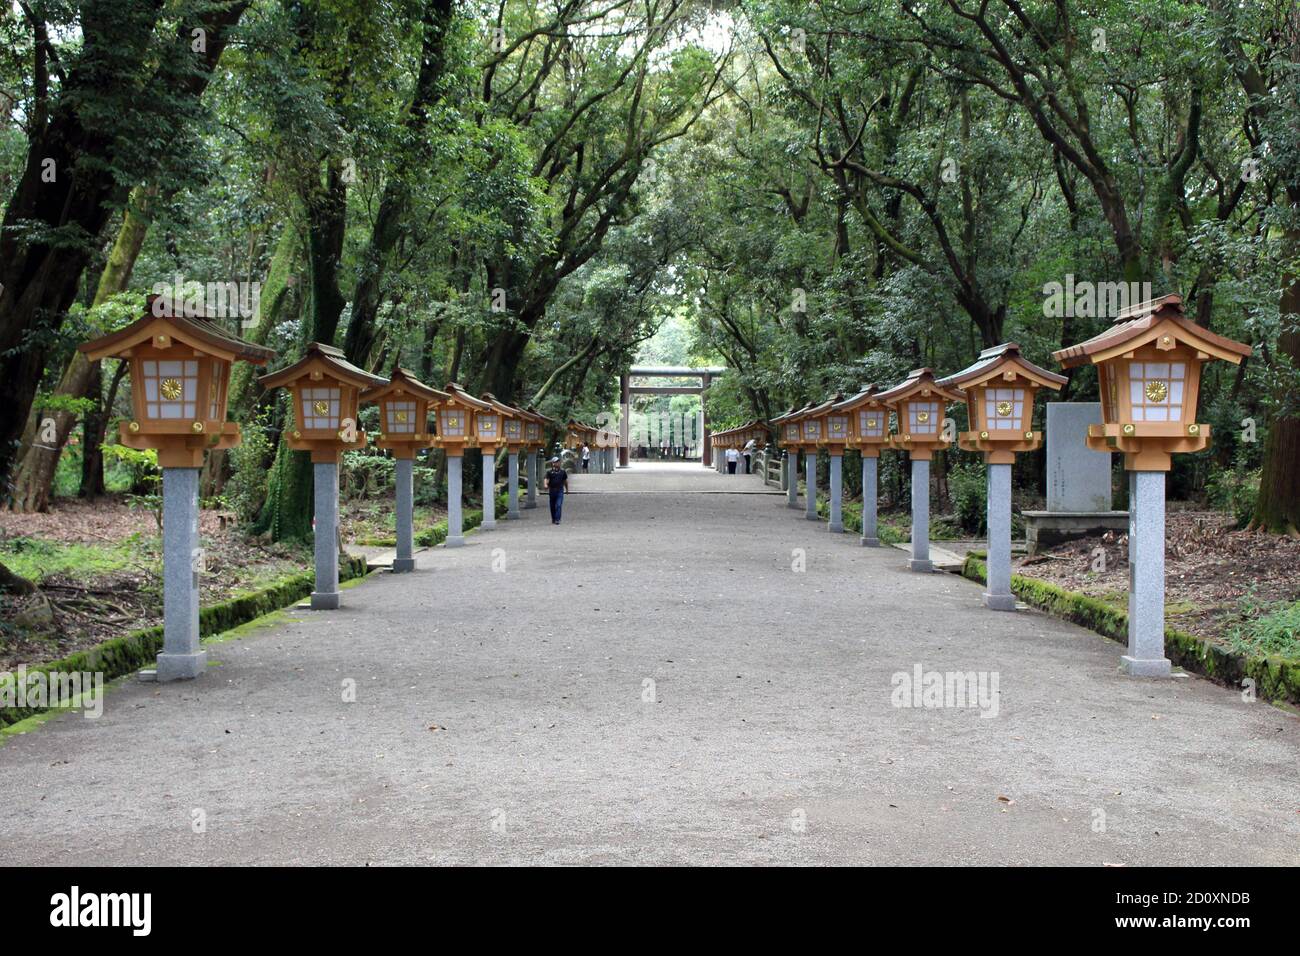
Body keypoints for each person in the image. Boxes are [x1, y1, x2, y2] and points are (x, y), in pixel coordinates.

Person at [545, 457, 569, 524]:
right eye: (555, 462)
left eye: (558, 462)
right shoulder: (549, 472)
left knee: (558, 505)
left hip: (560, 490)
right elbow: (546, 479)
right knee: (552, 506)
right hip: (552, 491)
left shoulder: (562, 472)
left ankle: (557, 519)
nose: (557, 463)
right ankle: (553, 518)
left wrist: (567, 489)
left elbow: (565, 481)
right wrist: (546, 485)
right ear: (552, 463)